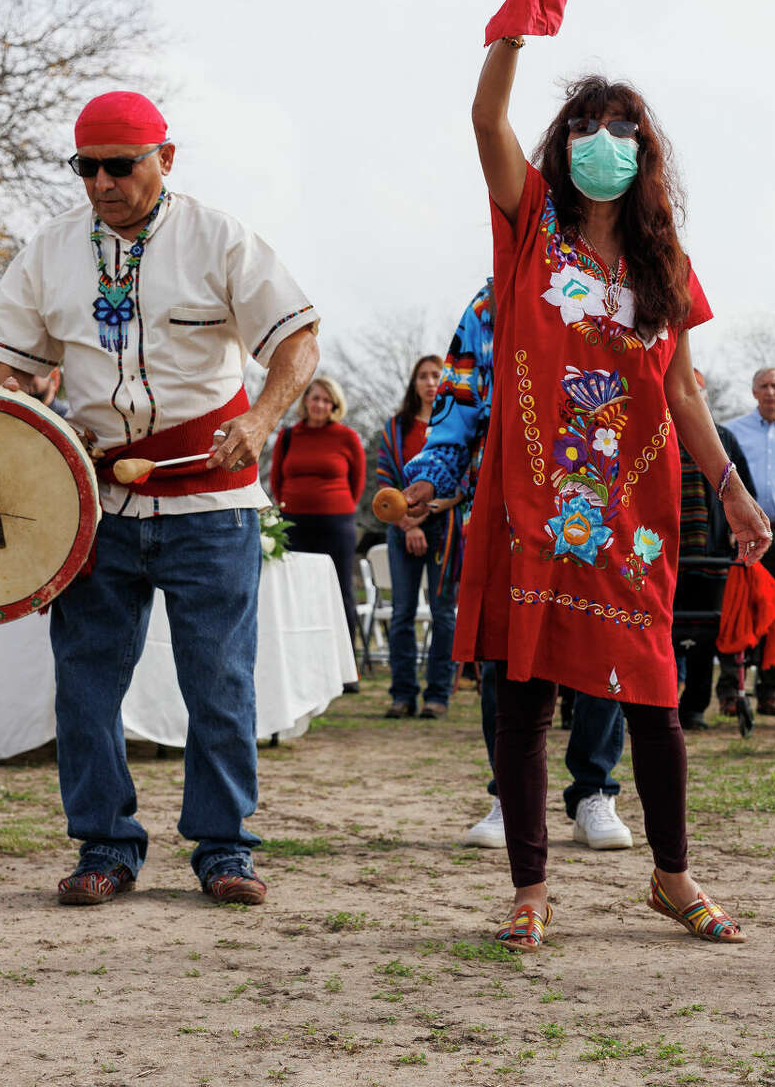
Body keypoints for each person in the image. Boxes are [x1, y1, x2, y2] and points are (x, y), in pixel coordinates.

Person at [432, 0, 770, 950]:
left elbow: (677, 389)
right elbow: (486, 117)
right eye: (587, 125)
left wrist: (734, 485)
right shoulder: (529, 223)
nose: (604, 140)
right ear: (564, 142)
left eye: (623, 128)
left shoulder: (667, 267)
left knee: (654, 695)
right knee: (524, 694)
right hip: (537, 497)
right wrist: (519, 13)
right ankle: (530, 887)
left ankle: (670, 873)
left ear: (644, 150)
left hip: (636, 508)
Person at [0, 90, 318, 908]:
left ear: (166, 158)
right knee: (85, 682)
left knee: (221, 683)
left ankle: (225, 848)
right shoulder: (51, 251)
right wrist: (25, 394)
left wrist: (264, 417)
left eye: (119, 165)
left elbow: (298, 343)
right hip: (95, 506)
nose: (101, 182)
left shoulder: (221, 239)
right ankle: (105, 846)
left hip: (214, 500)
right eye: (85, 166)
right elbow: (5, 368)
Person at [398, 281, 638, 852]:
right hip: (504, 500)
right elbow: (455, 413)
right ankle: (511, 793)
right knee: (505, 647)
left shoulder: (616, 289)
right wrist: (432, 476)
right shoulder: (489, 304)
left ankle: (593, 791)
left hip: (594, 494)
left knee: (600, 639)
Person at [375, 354, 463, 719]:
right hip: (400, 528)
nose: (430, 382)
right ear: (414, 383)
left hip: (444, 528)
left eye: (436, 376)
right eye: (423, 376)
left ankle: (437, 695)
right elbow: (383, 484)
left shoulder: (454, 427)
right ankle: (402, 694)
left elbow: (464, 480)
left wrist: (431, 510)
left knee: (443, 615)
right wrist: (406, 525)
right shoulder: (394, 429)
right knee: (402, 614)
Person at [676, 370, 756, 727]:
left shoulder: (722, 438)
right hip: (661, 553)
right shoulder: (655, 431)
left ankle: (694, 707)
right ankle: (659, 704)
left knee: (705, 633)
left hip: (709, 552)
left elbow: (745, 490)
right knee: (664, 632)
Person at [270, 374, 366, 658]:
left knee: (341, 592)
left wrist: (333, 506)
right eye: (316, 398)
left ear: (334, 405)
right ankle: (300, 660)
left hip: (336, 525)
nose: (320, 404)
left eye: (327, 400)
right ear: (306, 400)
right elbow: (276, 480)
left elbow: (357, 483)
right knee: (296, 592)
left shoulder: (347, 437)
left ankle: (345, 665)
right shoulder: (287, 437)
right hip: (294, 524)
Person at [722, 367, 775, 714]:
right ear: (754, 392)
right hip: (743, 534)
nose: (770, 392)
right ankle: (729, 690)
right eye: (763, 386)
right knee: (735, 607)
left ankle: (770, 691)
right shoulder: (733, 432)